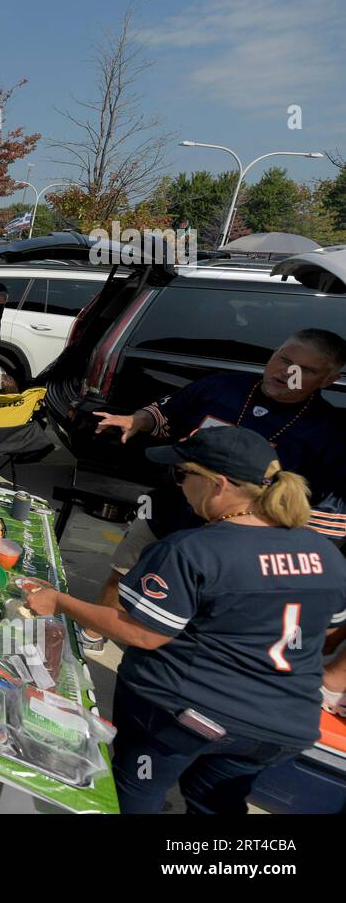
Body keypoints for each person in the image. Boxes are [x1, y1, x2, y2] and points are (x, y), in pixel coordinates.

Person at [24, 426, 346, 813]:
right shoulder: (324, 553)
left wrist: (60, 601)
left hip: (184, 715)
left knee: (136, 789)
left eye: (181, 474)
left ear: (217, 484)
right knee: (216, 803)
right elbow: (327, 631)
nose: (177, 485)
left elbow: (142, 633)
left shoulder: (192, 549)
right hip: (281, 728)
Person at [86, 328, 346, 649]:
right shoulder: (223, 387)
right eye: (284, 359)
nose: (287, 373)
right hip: (168, 510)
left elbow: (328, 518)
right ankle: (92, 635)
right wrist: (136, 421)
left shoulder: (329, 433)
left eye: (305, 370)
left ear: (328, 380)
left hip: (232, 547)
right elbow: (166, 412)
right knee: (124, 574)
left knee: (190, 613)